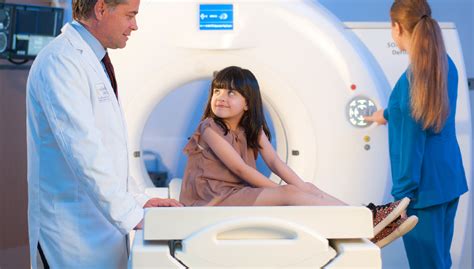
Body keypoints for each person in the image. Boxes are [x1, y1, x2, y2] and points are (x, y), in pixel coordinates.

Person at [179, 66, 415, 247]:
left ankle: (364, 218)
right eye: (217, 91)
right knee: (291, 192)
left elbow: (275, 162)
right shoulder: (209, 127)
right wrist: (283, 193)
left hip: (232, 194)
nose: (221, 96)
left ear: (247, 104)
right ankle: (364, 222)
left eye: (231, 92)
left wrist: (303, 191)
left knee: (306, 187)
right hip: (209, 199)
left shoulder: (252, 129)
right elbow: (241, 169)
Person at [26, 0, 182, 268]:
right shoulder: (61, 61)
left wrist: (141, 200)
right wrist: (131, 215)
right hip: (71, 235)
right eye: (130, 15)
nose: (135, 25)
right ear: (100, 9)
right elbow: (84, 152)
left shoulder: (93, 60)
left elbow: (110, 151)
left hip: (100, 226)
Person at [364, 0, 468, 267]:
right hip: (448, 181)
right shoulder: (444, 64)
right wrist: (385, 115)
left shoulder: (411, 82)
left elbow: (411, 146)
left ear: (397, 27)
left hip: (422, 193)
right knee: (440, 262)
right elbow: (422, 109)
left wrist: (400, 199)